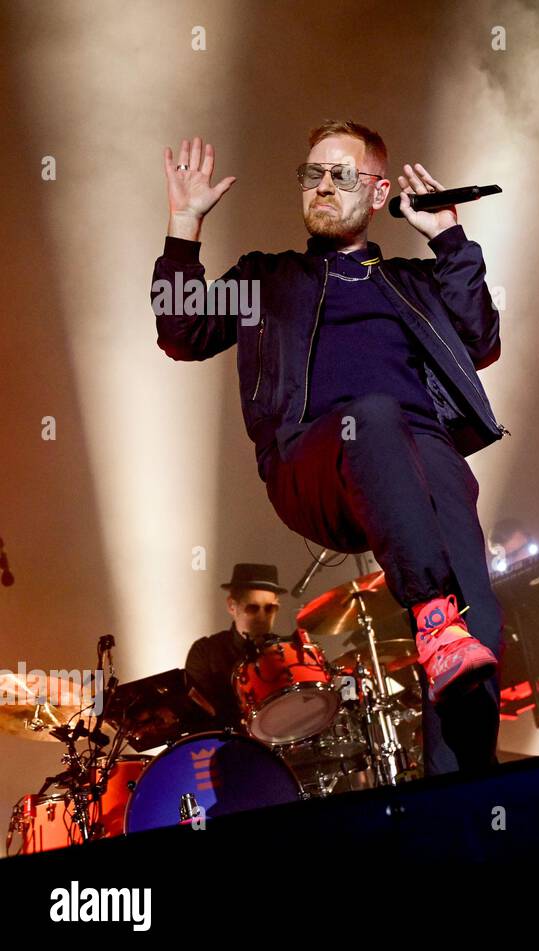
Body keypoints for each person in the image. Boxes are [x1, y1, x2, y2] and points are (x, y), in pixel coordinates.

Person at [153, 121, 504, 772]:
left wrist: (450, 238)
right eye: (311, 174)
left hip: (420, 455)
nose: (320, 186)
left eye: (339, 174)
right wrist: (184, 227)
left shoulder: (411, 281)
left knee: (479, 619)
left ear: (377, 193)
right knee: (368, 418)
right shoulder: (266, 278)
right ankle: (433, 617)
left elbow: (481, 337)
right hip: (311, 461)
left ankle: (465, 806)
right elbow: (181, 329)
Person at [184, 563, 286, 732]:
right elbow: (198, 716)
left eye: (270, 608)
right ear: (232, 605)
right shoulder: (205, 652)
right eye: (253, 608)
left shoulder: (285, 652)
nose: (262, 617)